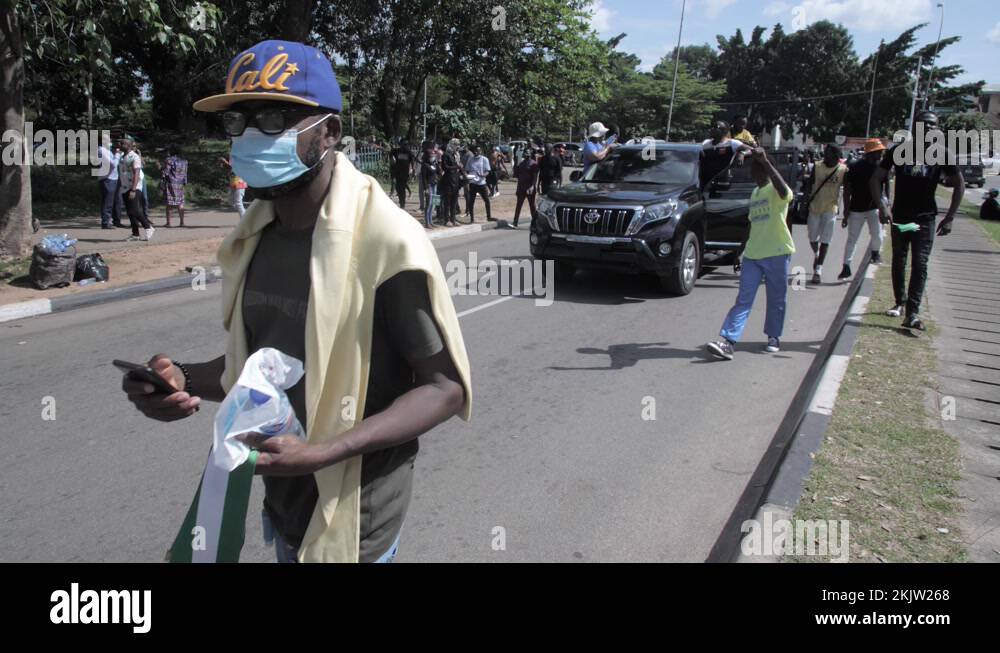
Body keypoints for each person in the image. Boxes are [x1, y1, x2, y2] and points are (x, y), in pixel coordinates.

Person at [125, 39, 471, 565]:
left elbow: (443, 389)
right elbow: (264, 364)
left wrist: (325, 452)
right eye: (238, 122)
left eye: (273, 119)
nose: (250, 136)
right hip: (283, 505)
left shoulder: (385, 241)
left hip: (356, 519)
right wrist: (182, 381)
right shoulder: (255, 235)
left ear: (329, 132)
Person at [872, 110, 964, 330]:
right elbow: (876, 179)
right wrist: (882, 206)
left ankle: (912, 313)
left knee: (920, 263)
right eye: (924, 124)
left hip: (925, 218)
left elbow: (959, 184)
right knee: (899, 260)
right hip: (901, 216)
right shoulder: (898, 151)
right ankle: (899, 302)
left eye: (933, 125)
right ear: (914, 127)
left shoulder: (942, 154)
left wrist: (950, 217)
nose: (928, 128)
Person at [707, 148, 795, 360]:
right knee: (743, 300)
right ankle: (728, 342)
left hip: (777, 252)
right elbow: (751, 224)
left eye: (754, 168)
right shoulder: (755, 193)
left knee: (776, 299)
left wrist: (765, 161)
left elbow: (785, 193)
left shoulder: (776, 189)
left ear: (762, 168)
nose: (751, 172)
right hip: (753, 255)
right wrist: (739, 251)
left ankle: (773, 337)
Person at [839, 139, 888, 279]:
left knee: (877, 234)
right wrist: (846, 210)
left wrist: (886, 206)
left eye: (881, 152)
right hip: (856, 209)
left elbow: (886, 188)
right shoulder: (854, 167)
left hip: (874, 208)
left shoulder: (881, 168)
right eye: (878, 152)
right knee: (852, 239)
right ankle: (846, 266)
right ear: (870, 153)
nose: (880, 154)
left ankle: (875, 253)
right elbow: (847, 190)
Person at [806, 144, 848, 284]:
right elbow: (809, 185)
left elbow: (847, 191)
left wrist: (846, 211)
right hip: (814, 207)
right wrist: (804, 203)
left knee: (826, 239)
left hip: (831, 208)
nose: (825, 155)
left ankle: (818, 270)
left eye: (828, 153)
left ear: (836, 155)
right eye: (825, 152)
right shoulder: (817, 166)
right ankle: (816, 253)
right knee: (812, 237)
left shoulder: (843, 170)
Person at [118, 139, 154, 242]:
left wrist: (133, 190)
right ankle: (135, 234)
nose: (119, 144)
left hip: (134, 186)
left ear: (128, 146)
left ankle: (148, 227)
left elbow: (136, 173)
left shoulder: (134, 157)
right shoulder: (122, 156)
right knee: (130, 212)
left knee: (134, 210)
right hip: (124, 187)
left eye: (122, 143)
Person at [97, 137, 122, 229]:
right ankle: (105, 222)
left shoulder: (108, 151)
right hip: (107, 179)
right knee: (108, 201)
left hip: (114, 178)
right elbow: (113, 164)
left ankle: (116, 221)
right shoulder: (102, 150)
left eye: (111, 141)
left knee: (116, 201)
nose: (111, 142)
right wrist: (117, 155)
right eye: (109, 141)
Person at [512, 148, 540, 230]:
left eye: (527, 152)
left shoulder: (533, 164)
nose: (526, 154)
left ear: (530, 154)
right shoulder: (521, 163)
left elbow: (535, 177)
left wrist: (532, 186)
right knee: (518, 205)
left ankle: (535, 223)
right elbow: (517, 175)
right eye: (525, 153)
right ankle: (515, 222)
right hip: (521, 188)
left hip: (530, 188)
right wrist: (516, 163)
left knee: (532, 206)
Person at [162, 145, 189, 227]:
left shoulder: (169, 160)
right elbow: (185, 173)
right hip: (180, 184)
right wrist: (185, 182)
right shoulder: (184, 161)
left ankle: (169, 223)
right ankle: (182, 222)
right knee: (180, 203)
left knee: (169, 203)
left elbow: (166, 172)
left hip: (171, 183)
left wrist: (160, 169)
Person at [465, 145, 493, 223]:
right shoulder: (470, 159)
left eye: (477, 151)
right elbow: (467, 170)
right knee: (471, 201)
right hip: (473, 183)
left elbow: (487, 171)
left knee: (486, 200)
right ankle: (472, 219)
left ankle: (489, 217)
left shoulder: (484, 159)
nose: (476, 152)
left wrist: (482, 175)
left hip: (482, 183)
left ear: (480, 151)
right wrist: (467, 176)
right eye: (475, 151)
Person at [441, 139, 463, 227]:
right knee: (447, 201)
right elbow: (444, 167)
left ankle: (453, 219)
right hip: (448, 180)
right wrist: (456, 167)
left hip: (456, 180)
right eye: (456, 144)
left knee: (454, 201)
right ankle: (446, 220)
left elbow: (458, 166)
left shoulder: (456, 155)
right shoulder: (446, 155)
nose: (458, 146)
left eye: (458, 144)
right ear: (452, 145)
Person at [418, 142, 441, 229]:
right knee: (429, 204)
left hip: (435, 185)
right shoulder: (425, 165)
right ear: (428, 156)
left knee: (434, 204)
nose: (433, 155)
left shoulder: (434, 164)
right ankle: (427, 223)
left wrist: (438, 162)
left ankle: (431, 221)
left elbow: (439, 172)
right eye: (432, 154)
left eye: (434, 154)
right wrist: (426, 189)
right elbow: (423, 178)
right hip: (429, 186)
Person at [389, 138, 415, 209]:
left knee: (402, 189)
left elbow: (412, 162)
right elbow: (391, 153)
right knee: (398, 188)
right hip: (397, 172)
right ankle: (401, 202)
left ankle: (402, 204)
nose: (405, 146)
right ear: (400, 145)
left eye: (406, 144)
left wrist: (413, 171)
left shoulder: (409, 152)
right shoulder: (396, 151)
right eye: (403, 144)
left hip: (405, 173)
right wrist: (391, 159)